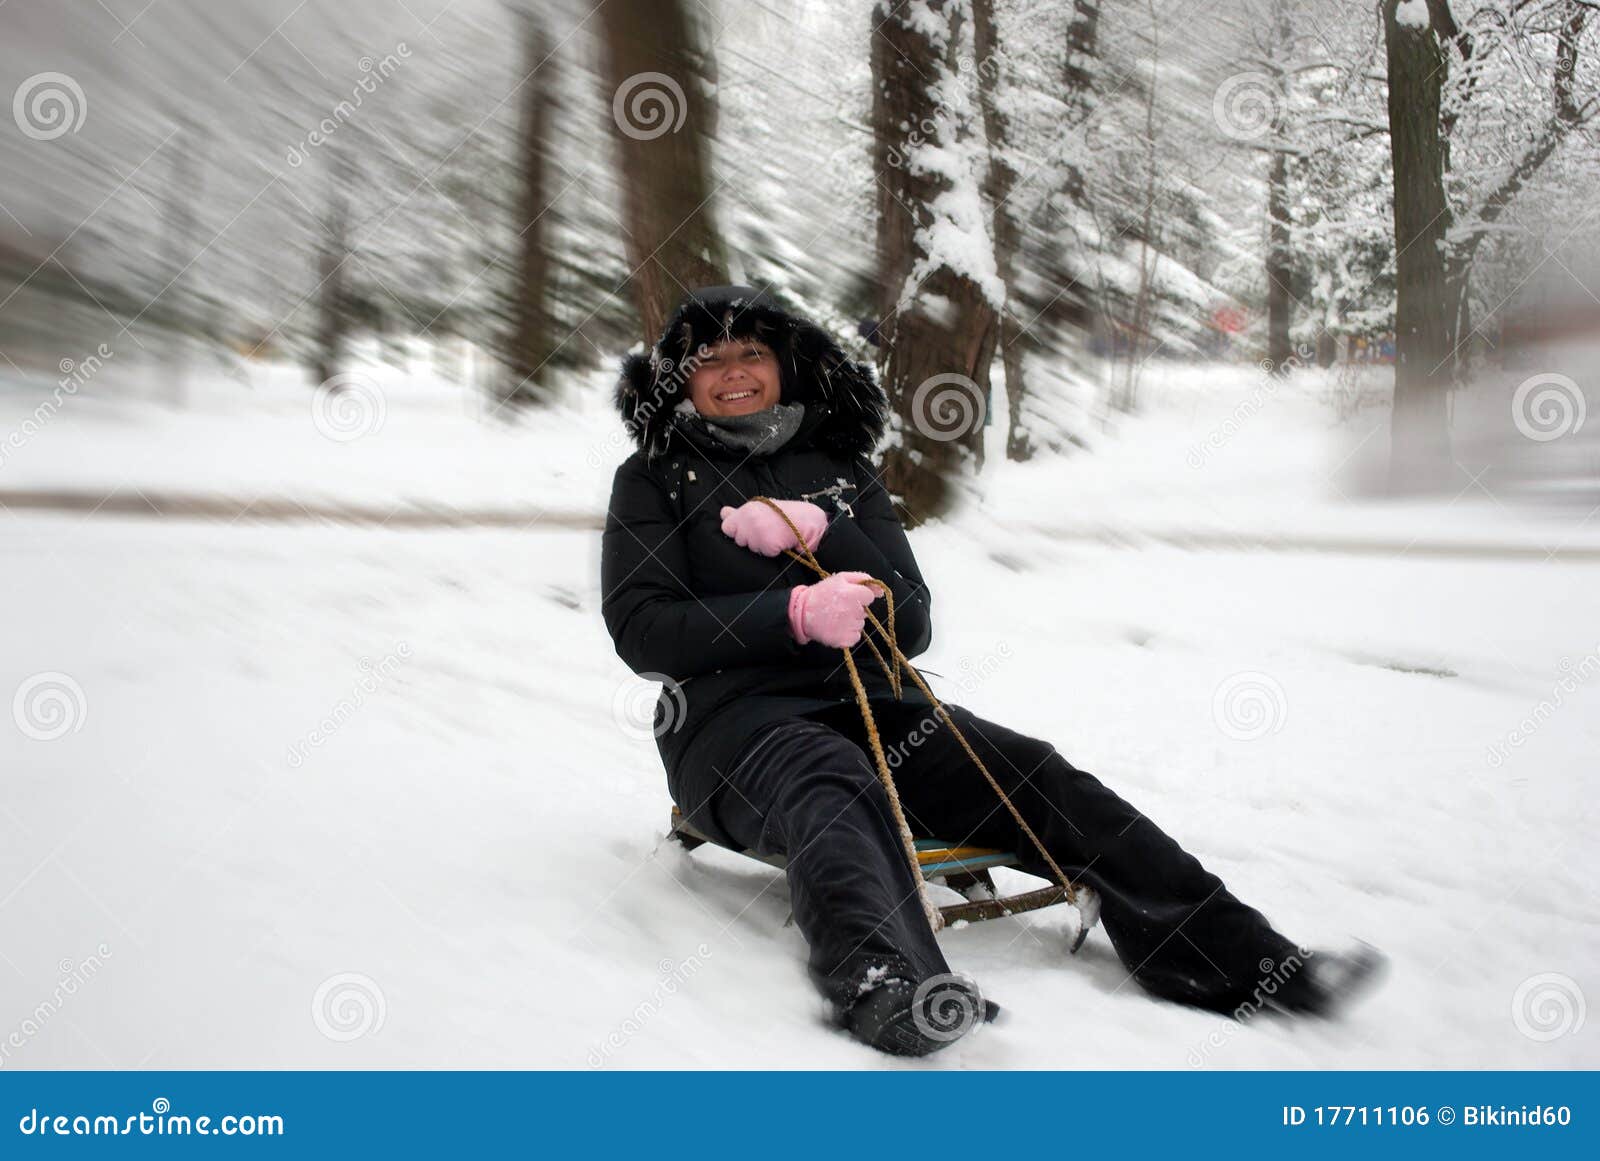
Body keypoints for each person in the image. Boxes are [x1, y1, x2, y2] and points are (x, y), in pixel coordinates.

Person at [600, 285, 1383, 1056]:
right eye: (710, 360)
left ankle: (1253, 965)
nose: (734, 371)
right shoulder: (654, 479)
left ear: (784, 362)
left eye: (752, 352)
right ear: (681, 377)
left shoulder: (840, 464)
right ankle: (888, 987)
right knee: (828, 778)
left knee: (1042, 777)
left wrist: (832, 532)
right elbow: (643, 629)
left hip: (878, 709)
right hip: (734, 731)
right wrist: (795, 615)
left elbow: (911, 620)